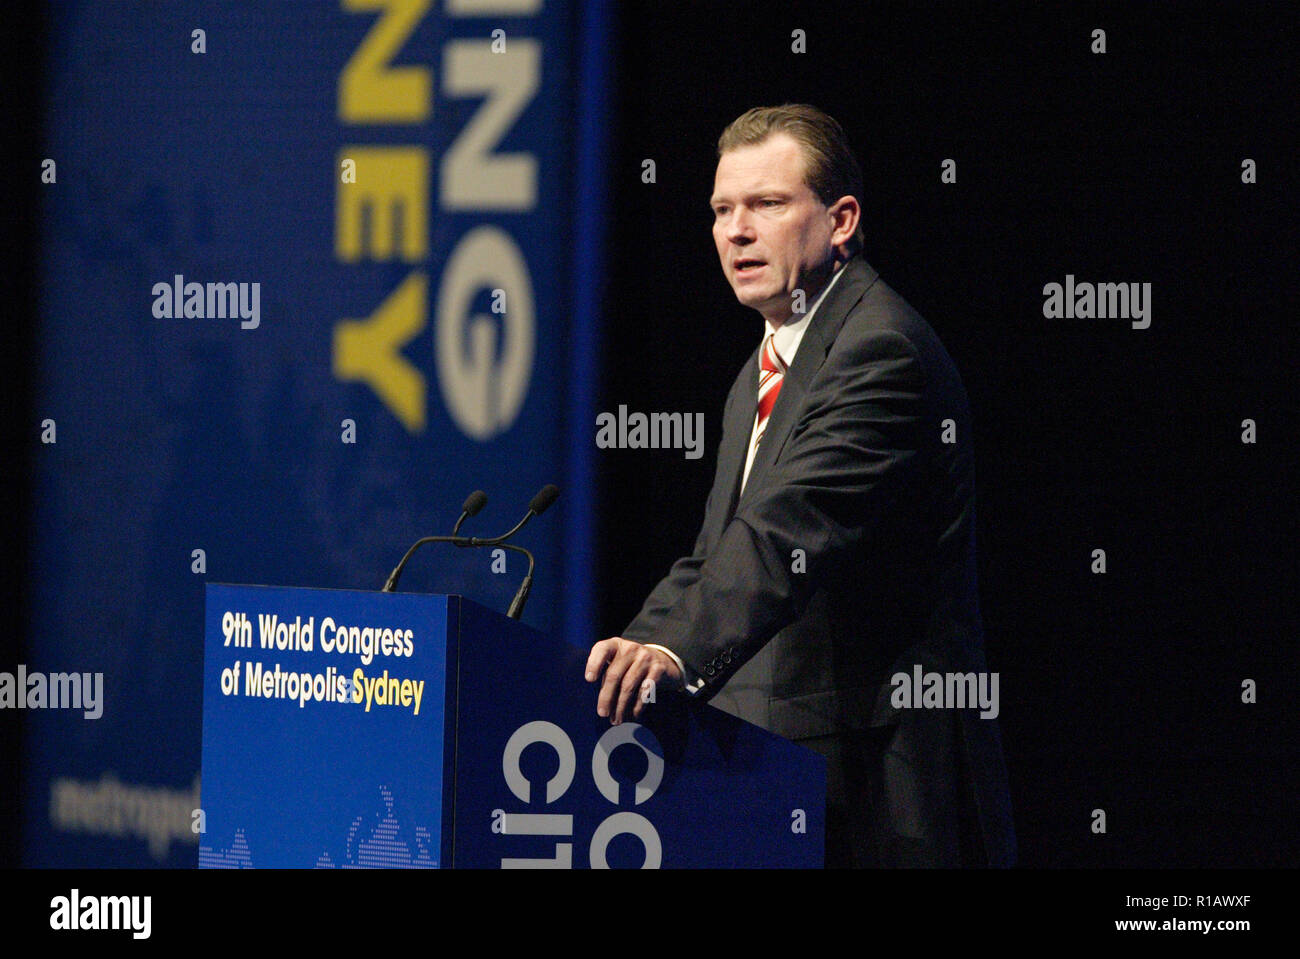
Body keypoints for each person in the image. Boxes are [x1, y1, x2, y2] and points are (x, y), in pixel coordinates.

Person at [585, 104, 1016, 867]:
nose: (736, 231)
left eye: (767, 205)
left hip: (879, 792)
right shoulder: (763, 367)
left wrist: (676, 654)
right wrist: (636, 645)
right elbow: (714, 552)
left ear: (841, 219)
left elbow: (784, 532)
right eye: (722, 210)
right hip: (785, 777)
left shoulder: (880, 349)